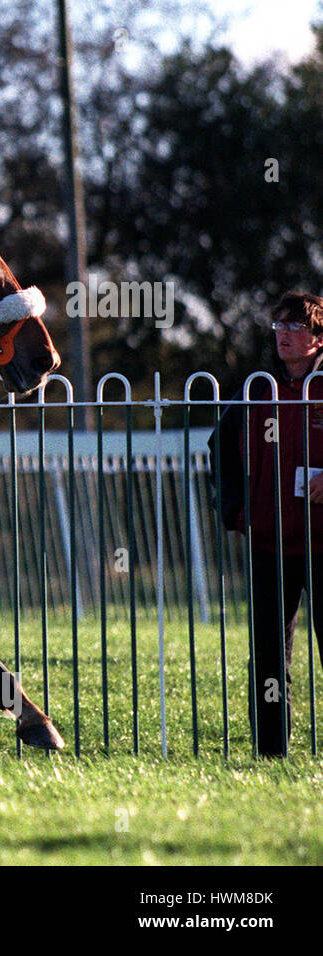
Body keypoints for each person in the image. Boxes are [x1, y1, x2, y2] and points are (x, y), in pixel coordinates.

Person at [210, 291, 323, 756]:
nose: (285, 336)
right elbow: (219, 451)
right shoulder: (257, 388)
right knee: (270, 659)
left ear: (319, 337)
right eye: (279, 328)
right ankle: (271, 751)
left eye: (296, 327)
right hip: (270, 542)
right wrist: (237, 513)